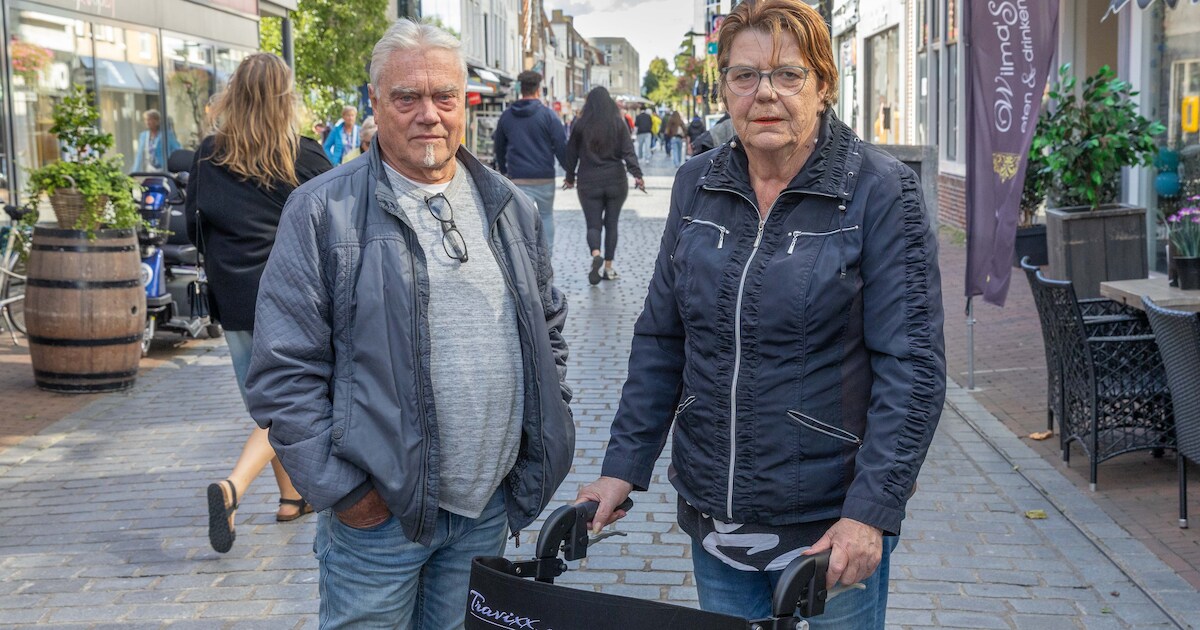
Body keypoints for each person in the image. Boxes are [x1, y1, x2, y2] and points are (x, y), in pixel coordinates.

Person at [575, 1, 946, 628]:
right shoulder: (697, 184)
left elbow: (912, 368)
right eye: (745, 76)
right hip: (715, 517)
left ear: (823, 86)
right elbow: (662, 339)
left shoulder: (879, 190)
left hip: (828, 531)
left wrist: (870, 511)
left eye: (788, 74)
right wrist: (623, 468)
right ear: (724, 88)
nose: (765, 93)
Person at [245, 19, 574, 628]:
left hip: (483, 510)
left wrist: (538, 436)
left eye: (444, 96)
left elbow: (547, 330)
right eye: (407, 98)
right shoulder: (322, 210)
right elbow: (284, 369)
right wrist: (345, 493)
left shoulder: (510, 206)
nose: (429, 114)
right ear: (375, 102)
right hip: (378, 519)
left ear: (463, 101)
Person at [189, 53, 332, 554]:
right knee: (282, 403)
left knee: (265, 400)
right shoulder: (303, 155)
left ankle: (291, 498)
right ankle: (234, 487)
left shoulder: (208, 155)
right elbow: (342, 216)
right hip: (292, 296)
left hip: (232, 297)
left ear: (234, 95)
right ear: (285, 98)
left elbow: (191, 226)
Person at [563, 86, 643, 285]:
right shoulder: (618, 123)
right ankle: (608, 268)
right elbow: (628, 151)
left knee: (593, 224)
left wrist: (570, 177)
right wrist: (637, 175)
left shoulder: (580, 124)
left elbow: (571, 153)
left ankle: (596, 254)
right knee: (612, 223)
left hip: (588, 180)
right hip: (615, 180)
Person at [493, 70, 568, 253]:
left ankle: (525, 260)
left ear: (521, 89)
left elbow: (499, 146)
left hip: (518, 178)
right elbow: (561, 146)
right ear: (538, 89)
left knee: (520, 222)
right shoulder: (549, 116)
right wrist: (569, 172)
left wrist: (504, 170)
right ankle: (547, 258)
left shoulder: (507, 116)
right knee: (546, 216)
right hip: (544, 177)